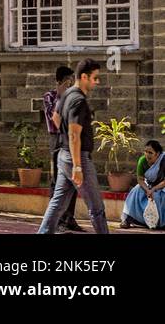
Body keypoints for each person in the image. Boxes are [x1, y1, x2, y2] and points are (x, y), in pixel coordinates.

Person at [38, 58, 109, 234]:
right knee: (96, 207)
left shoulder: (67, 94)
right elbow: (74, 134)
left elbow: (55, 118)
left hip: (63, 155)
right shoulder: (78, 100)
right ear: (84, 76)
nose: (97, 82)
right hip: (78, 158)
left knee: (57, 204)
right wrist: (77, 166)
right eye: (95, 78)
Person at [42, 66, 82, 232]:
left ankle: (69, 218)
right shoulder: (50, 96)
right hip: (56, 139)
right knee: (57, 180)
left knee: (73, 180)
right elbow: (54, 116)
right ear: (60, 81)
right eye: (68, 81)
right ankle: (56, 221)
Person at [121, 140, 165, 229]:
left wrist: (154, 189)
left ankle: (160, 223)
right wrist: (147, 190)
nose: (147, 154)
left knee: (159, 196)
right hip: (148, 185)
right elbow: (140, 179)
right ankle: (127, 219)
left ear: (157, 154)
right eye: (145, 151)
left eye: (150, 152)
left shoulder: (163, 161)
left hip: (161, 186)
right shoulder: (142, 160)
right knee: (136, 190)